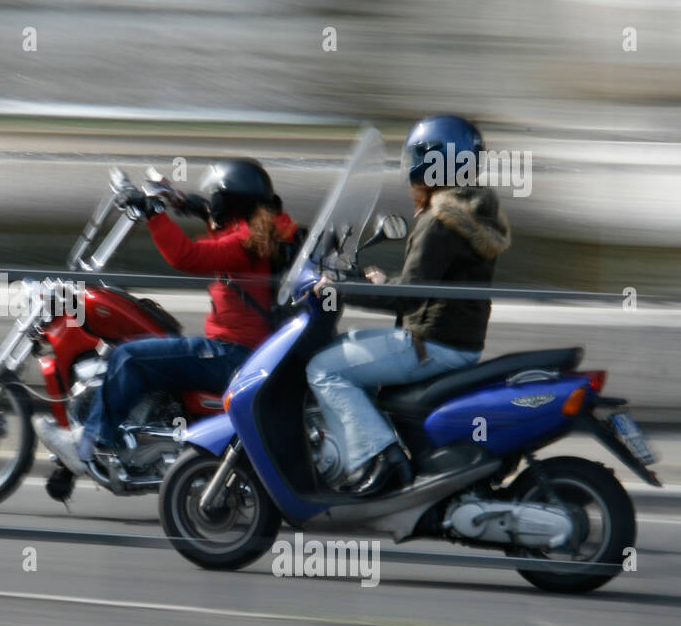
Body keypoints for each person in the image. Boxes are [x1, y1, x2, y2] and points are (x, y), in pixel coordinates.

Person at [35, 158, 301, 475]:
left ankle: (86, 444)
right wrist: (179, 201)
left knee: (129, 355)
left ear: (231, 201)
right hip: (240, 350)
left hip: (231, 354)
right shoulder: (261, 230)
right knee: (151, 340)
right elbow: (221, 225)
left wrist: (155, 214)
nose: (214, 202)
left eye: (217, 196)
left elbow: (186, 255)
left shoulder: (244, 244)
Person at [306, 114, 511, 496]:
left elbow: (411, 296)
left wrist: (339, 289)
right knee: (345, 351)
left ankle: (379, 460)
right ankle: (370, 450)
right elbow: (425, 285)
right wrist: (383, 284)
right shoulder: (469, 214)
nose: (408, 173)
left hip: (432, 342)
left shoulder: (439, 221)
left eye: (413, 160)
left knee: (322, 368)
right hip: (453, 339)